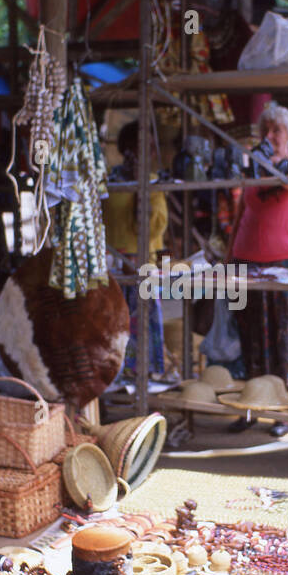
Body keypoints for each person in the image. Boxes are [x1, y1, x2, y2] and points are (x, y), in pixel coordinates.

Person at [227, 101, 288, 434]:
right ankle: (249, 405)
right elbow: (241, 212)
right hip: (247, 261)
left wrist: (269, 163)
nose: (270, 135)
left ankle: (284, 411)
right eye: (266, 130)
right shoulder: (255, 169)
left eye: (277, 130)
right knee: (250, 338)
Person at [104, 119, 168, 381]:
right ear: (126, 147)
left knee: (144, 323)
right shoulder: (109, 181)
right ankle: (114, 377)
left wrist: (142, 190)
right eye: (140, 146)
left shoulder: (154, 183)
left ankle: (141, 378)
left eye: (150, 147)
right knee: (112, 326)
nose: (146, 152)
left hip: (144, 268)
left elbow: (154, 228)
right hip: (114, 267)